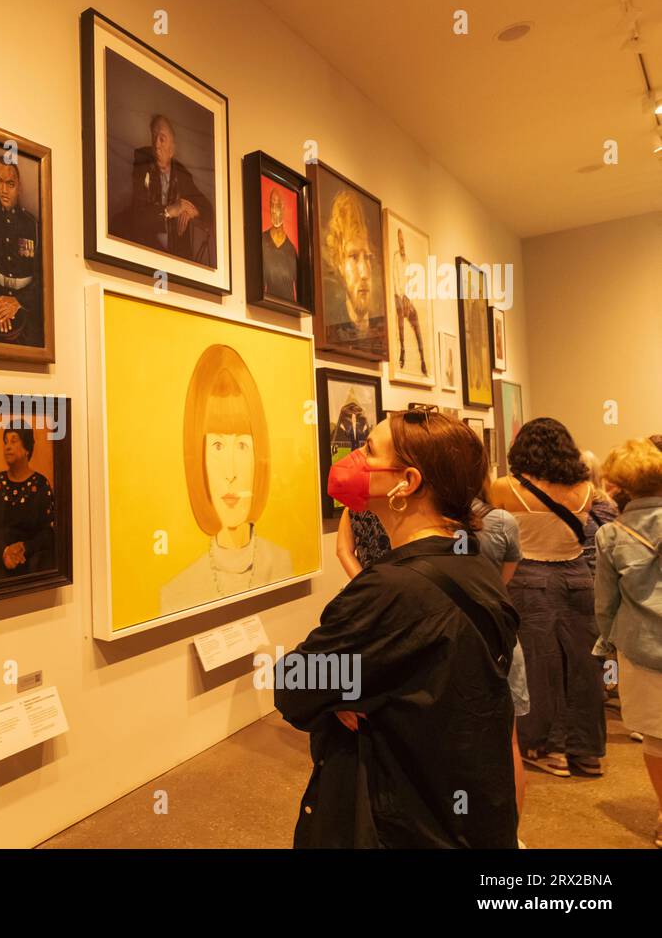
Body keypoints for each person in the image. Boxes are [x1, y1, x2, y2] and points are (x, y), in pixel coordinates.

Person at [275, 409, 519, 847]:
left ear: (407, 482)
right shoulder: (471, 561)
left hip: (402, 820)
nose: (355, 460)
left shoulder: (390, 587)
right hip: (463, 812)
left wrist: (346, 690)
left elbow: (294, 684)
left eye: (368, 450)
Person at [488, 418, 604, 777]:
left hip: (529, 579)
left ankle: (543, 747)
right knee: (584, 666)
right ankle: (585, 752)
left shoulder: (504, 488)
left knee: (539, 666)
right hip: (579, 579)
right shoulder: (586, 488)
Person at [159, 345, 291, 614]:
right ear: (199, 460)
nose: (230, 471)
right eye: (217, 446)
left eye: (242, 446)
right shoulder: (176, 593)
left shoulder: (284, 564)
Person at [595, 438, 662, 848]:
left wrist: (606, 646)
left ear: (621, 484)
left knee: (657, 738)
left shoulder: (610, 535)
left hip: (642, 649)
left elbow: (605, 604)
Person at [471, 473, 529, 835]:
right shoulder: (501, 521)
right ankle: (511, 835)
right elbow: (502, 579)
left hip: (450, 641)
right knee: (508, 741)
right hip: (499, 636)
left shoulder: (426, 526)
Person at [126, 114, 214, 263]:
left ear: (172, 149)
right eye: (154, 137)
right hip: (145, 254)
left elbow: (208, 211)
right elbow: (138, 216)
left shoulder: (182, 174)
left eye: (162, 139)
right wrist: (169, 210)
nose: (156, 144)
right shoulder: (142, 164)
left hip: (177, 259)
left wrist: (191, 210)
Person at [0, 428, 55, 583]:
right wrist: (3, 552)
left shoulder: (41, 485)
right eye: (5, 442)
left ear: (27, 448)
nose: (7, 447)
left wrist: (25, 547)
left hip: (31, 563)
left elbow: (49, 532)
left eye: (14, 440)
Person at [0, 156, 42, 346]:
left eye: (10, 183)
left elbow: (42, 277)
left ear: (20, 186)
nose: (4, 190)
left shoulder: (32, 225)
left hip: (25, 309)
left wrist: (17, 301)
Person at [322, 189, 385, 350]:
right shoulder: (333, 327)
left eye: (368, 257)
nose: (364, 273)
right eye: (353, 257)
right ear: (339, 264)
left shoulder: (382, 329)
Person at [389, 226, 427, 374]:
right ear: (398, 242)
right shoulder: (395, 257)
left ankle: (422, 358)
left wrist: (409, 298)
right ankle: (402, 350)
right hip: (398, 296)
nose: (402, 243)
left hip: (407, 298)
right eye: (400, 240)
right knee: (400, 319)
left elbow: (411, 282)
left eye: (403, 240)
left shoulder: (408, 261)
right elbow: (395, 278)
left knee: (416, 322)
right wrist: (401, 295)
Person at [261, 187, 297, 302]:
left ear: (283, 207)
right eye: (272, 204)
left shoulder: (291, 250)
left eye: (278, 204)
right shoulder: (262, 240)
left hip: (289, 311)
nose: (274, 209)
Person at [336, 508, 390, 577]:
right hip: (401, 578)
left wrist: (364, 582)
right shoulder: (401, 505)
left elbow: (343, 550)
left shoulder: (353, 508)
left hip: (370, 579)